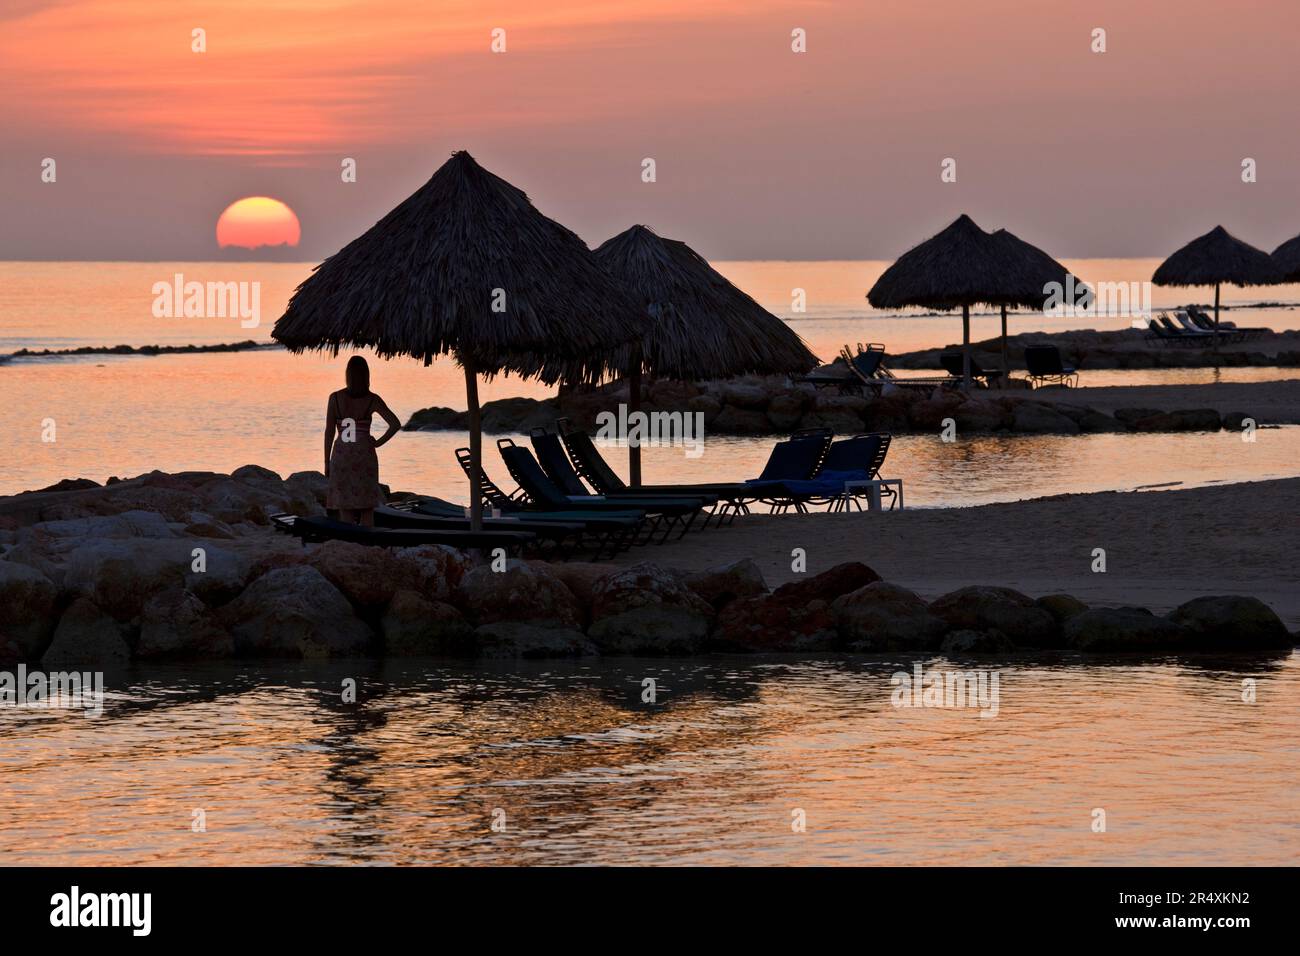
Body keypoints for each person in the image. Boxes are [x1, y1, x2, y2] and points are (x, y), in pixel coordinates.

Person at [324, 356, 401, 526]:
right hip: (364, 454)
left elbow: (329, 432)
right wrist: (378, 442)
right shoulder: (372, 399)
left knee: (345, 506)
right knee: (366, 508)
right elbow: (395, 424)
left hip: (342, 454)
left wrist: (327, 462)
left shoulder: (335, 398)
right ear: (366, 375)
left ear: (348, 375)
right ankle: (366, 542)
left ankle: (350, 544)